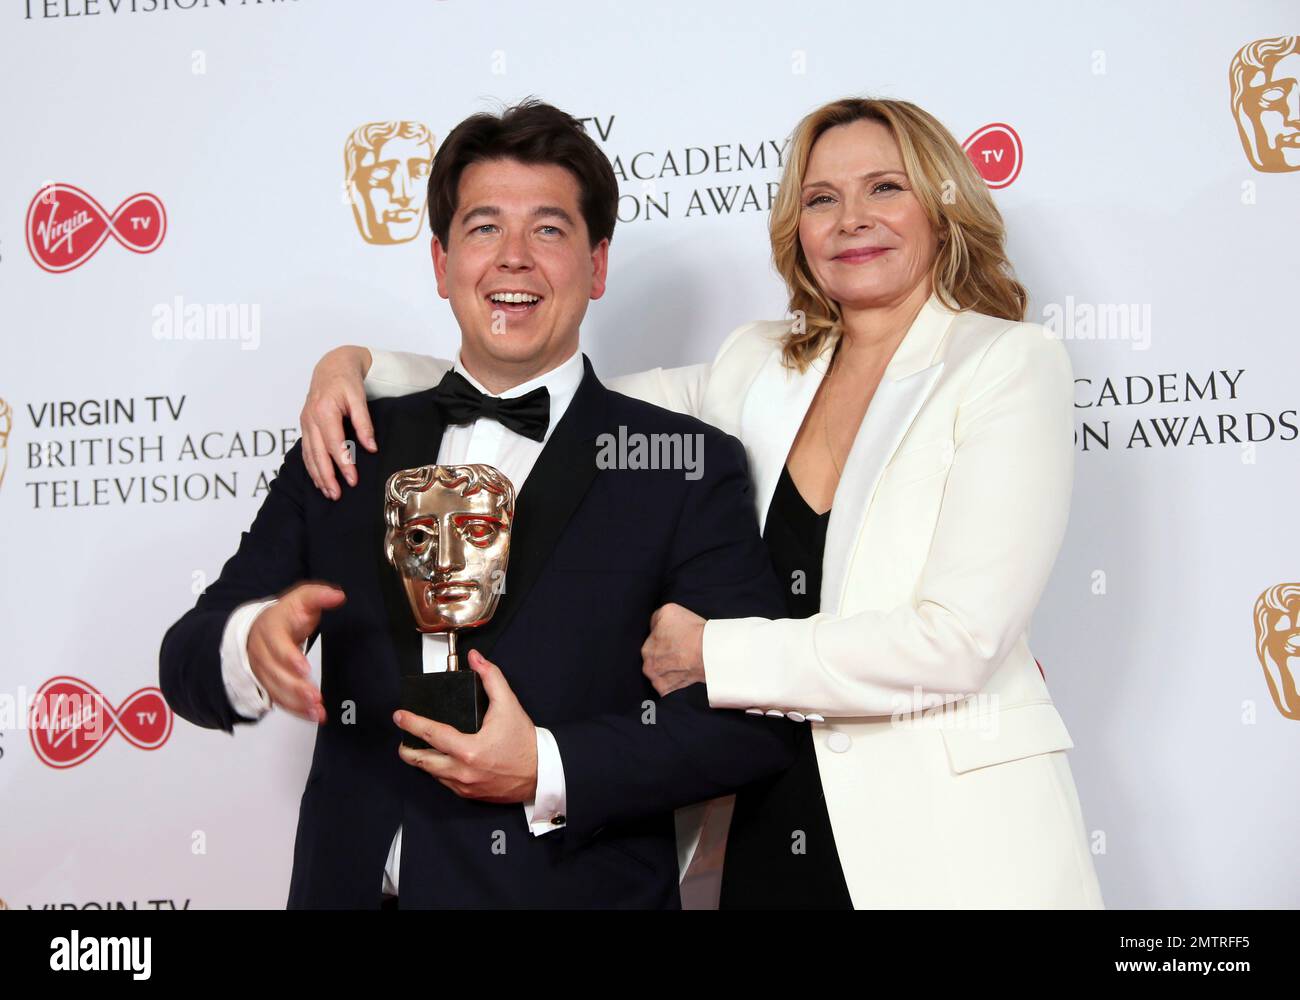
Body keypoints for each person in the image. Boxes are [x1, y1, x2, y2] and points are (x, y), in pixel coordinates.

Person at [302, 96, 1106, 909]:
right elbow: (552, 397)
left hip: (948, 831)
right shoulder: (760, 365)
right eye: (822, 198)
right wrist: (360, 366)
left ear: (942, 204)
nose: (852, 219)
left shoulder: (1007, 363)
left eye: (884, 189)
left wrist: (716, 654)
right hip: (771, 815)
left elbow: (959, 642)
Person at [159, 99, 797, 910]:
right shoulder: (349, 443)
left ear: (598, 266)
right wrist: (251, 643)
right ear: (440, 261)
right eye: (485, 228)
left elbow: (748, 727)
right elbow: (185, 660)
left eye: (550, 231)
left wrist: (547, 766)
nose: (514, 260)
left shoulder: (684, 466)